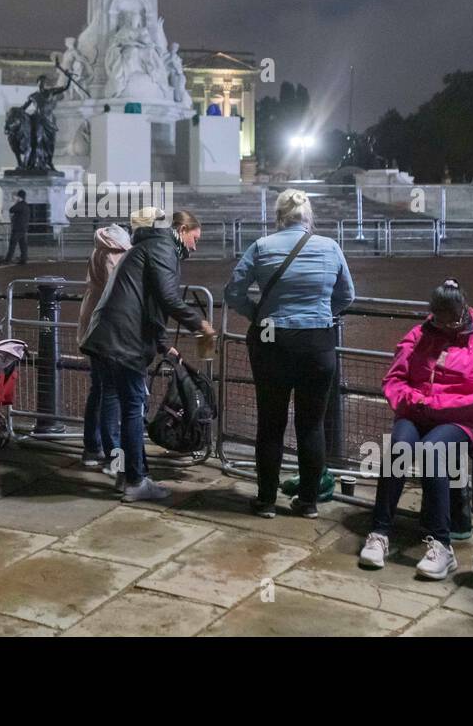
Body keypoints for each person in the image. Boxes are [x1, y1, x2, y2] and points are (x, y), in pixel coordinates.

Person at [358, 280, 473, 579]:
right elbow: (394, 379)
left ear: (463, 310)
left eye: (452, 319)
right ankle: (379, 533)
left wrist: (439, 405)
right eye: (440, 320)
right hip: (417, 413)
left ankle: (442, 545)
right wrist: (413, 401)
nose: (447, 325)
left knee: (432, 452)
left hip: (461, 422)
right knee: (398, 449)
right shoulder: (417, 336)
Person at [225, 189, 355, 518]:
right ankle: (309, 501)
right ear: (307, 216)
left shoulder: (262, 247)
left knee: (270, 423)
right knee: (312, 426)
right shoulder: (330, 247)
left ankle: (266, 499)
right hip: (317, 342)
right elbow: (347, 296)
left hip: (272, 340)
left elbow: (233, 292)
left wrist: (257, 313)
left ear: (278, 216)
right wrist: (323, 314)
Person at [80, 210, 213, 502]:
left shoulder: (145, 246)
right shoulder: (163, 247)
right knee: (132, 409)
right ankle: (136, 481)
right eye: (194, 237)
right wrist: (200, 325)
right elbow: (167, 298)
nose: (195, 246)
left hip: (104, 337)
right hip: (124, 343)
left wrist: (164, 344)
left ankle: (123, 474)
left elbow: (147, 303)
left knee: (116, 406)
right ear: (181, 229)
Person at [77, 221, 132, 469]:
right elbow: (116, 290)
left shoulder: (99, 248)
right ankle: (113, 457)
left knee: (98, 389)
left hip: (92, 322)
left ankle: (92, 447)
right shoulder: (114, 253)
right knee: (110, 392)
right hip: (106, 327)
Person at [3, 189, 29, 264]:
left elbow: (11, 209)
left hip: (17, 228)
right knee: (23, 245)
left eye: (17, 196)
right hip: (24, 228)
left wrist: (16, 202)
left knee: (12, 244)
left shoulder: (20, 205)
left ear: (19, 197)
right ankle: (23, 259)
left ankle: (8, 259)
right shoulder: (26, 205)